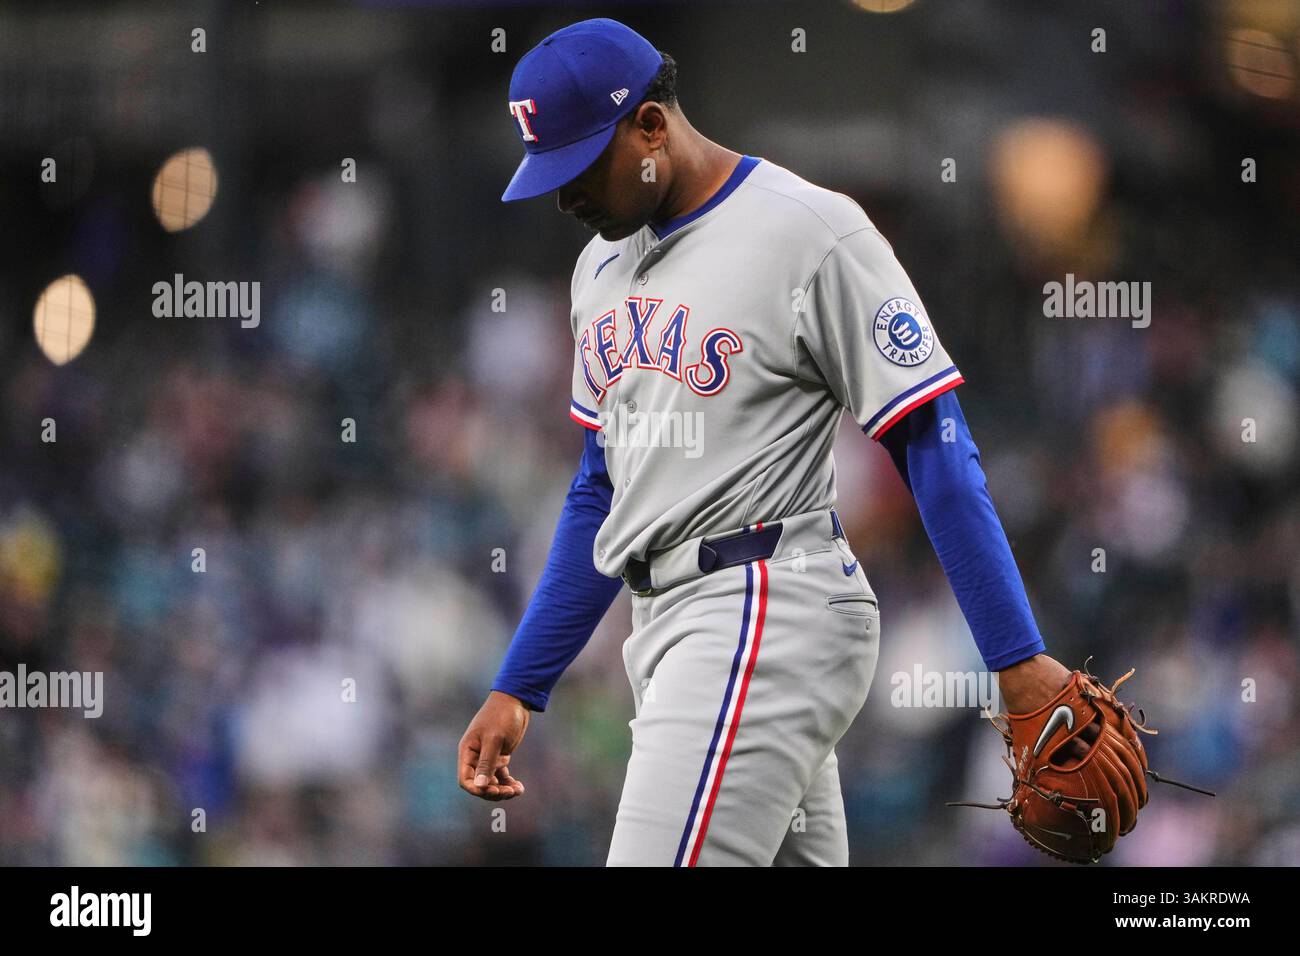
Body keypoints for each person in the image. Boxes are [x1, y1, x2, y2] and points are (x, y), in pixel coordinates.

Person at [458, 17, 1076, 866]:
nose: (565, 197)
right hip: (670, 626)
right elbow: (601, 488)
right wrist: (519, 683)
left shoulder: (809, 230)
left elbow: (931, 440)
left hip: (759, 606)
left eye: (579, 167)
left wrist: (1016, 655)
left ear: (650, 123)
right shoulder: (595, 269)